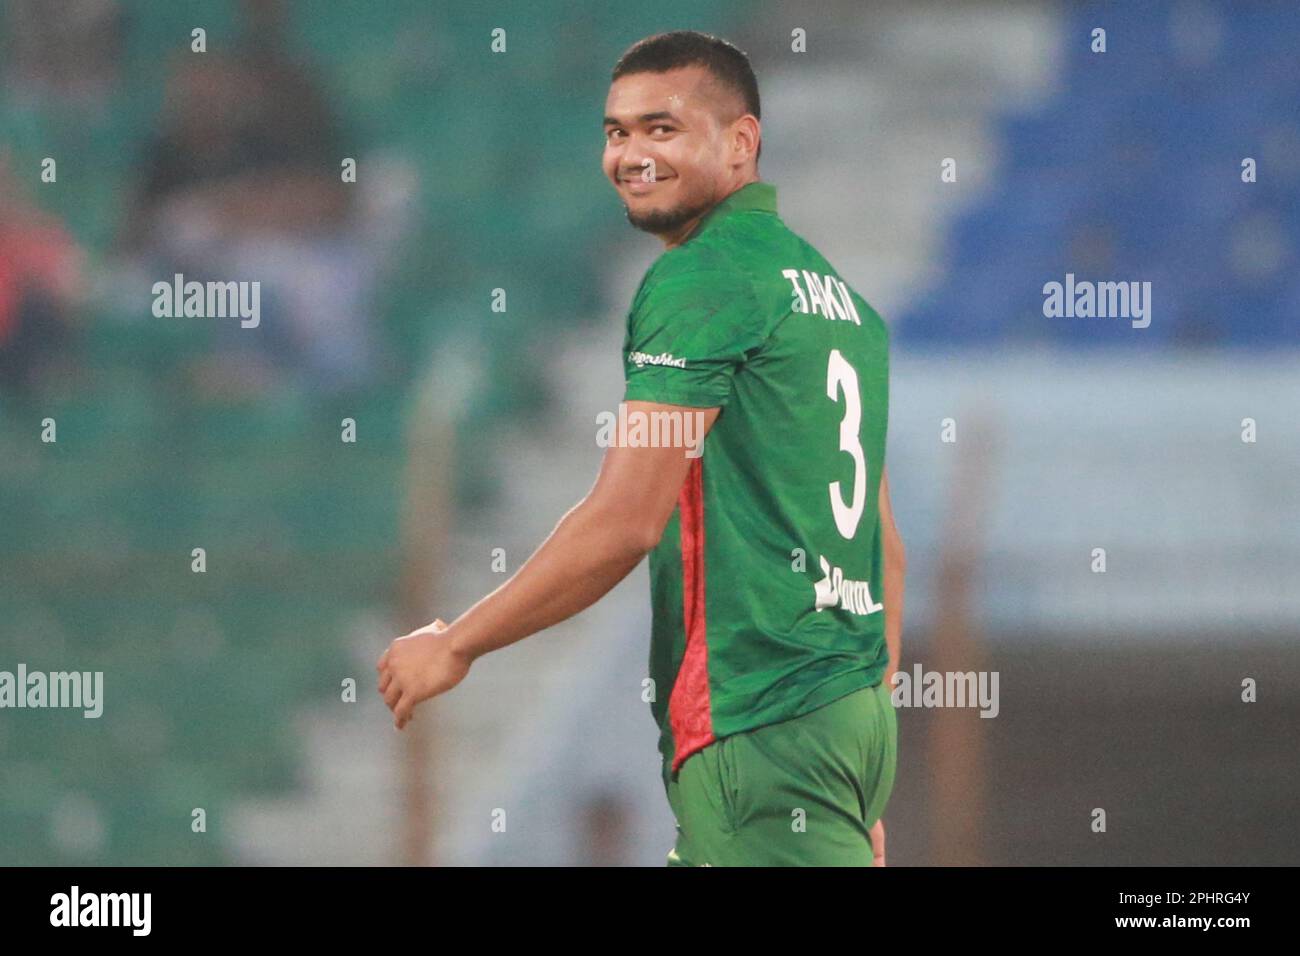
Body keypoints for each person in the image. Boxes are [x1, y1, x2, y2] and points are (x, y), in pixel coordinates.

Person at [378, 30, 906, 867]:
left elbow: (626, 521)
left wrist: (458, 642)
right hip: (838, 716)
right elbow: (885, 548)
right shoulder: (841, 304)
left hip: (756, 710)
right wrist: (859, 755)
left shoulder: (701, 279)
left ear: (741, 142)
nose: (629, 154)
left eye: (661, 129)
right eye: (616, 131)